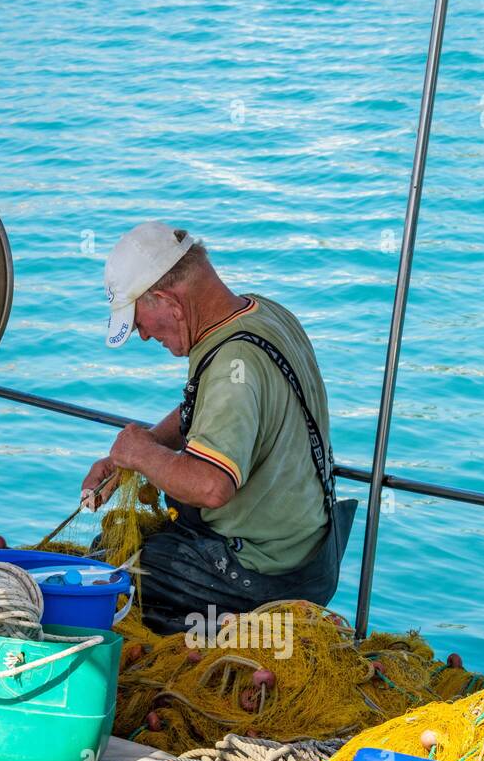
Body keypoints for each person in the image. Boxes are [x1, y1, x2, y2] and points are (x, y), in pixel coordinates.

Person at [82, 221, 355, 634]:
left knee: (110, 576)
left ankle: (236, 629)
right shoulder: (260, 313)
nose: (141, 335)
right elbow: (210, 405)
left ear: (167, 300)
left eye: (139, 320)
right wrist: (151, 441)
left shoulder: (231, 366)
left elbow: (213, 486)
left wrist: (139, 453)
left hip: (268, 572)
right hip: (315, 553)